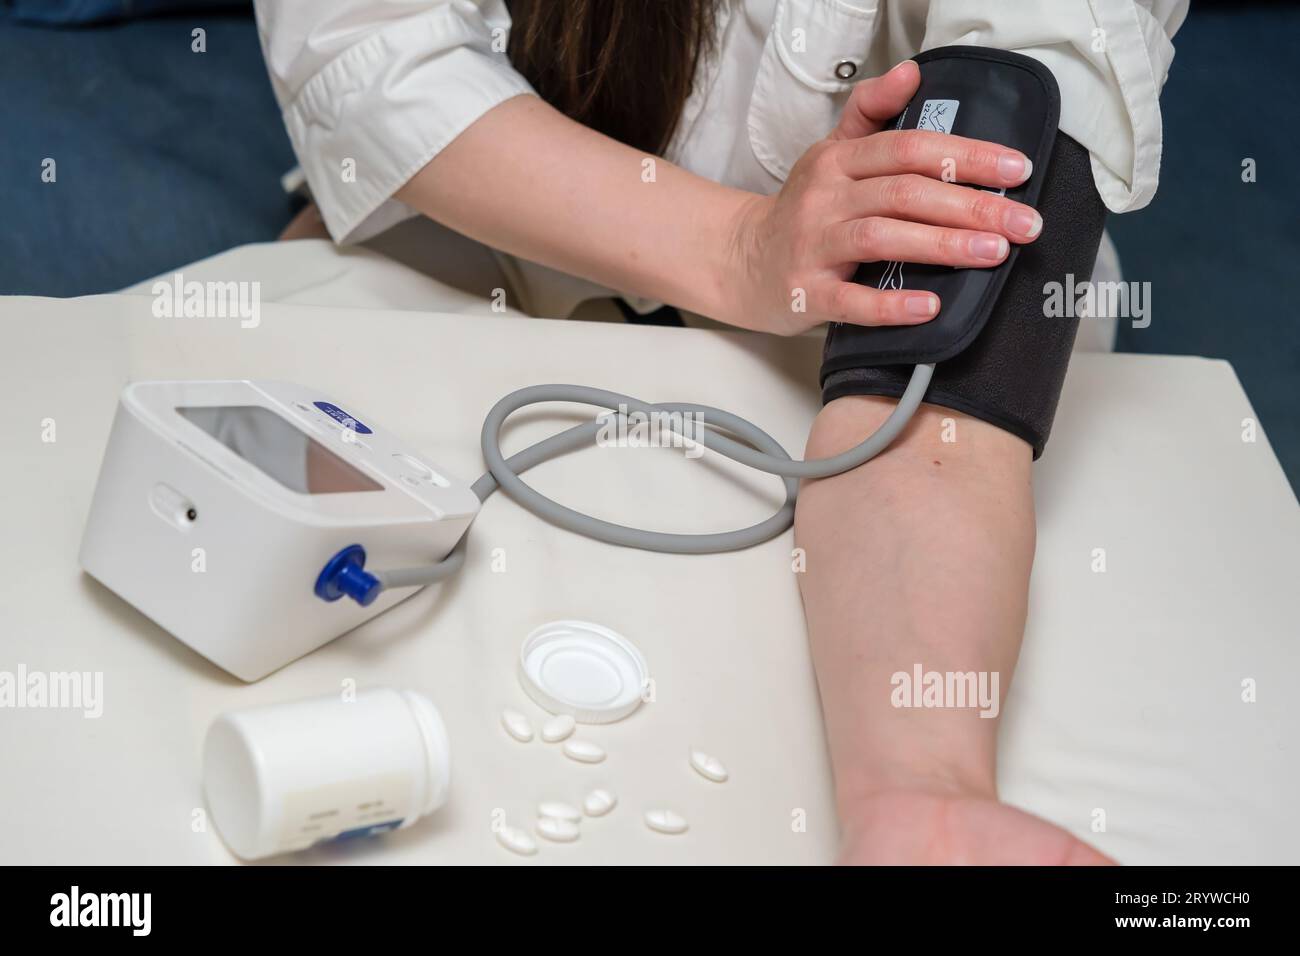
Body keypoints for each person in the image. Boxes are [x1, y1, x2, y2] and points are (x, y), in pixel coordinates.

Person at [254, 0, 1186, 863]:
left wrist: (919, 790)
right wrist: (736, 247)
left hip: (846, 325)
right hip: (491, 208)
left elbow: (944, 411)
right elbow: (376, 52)